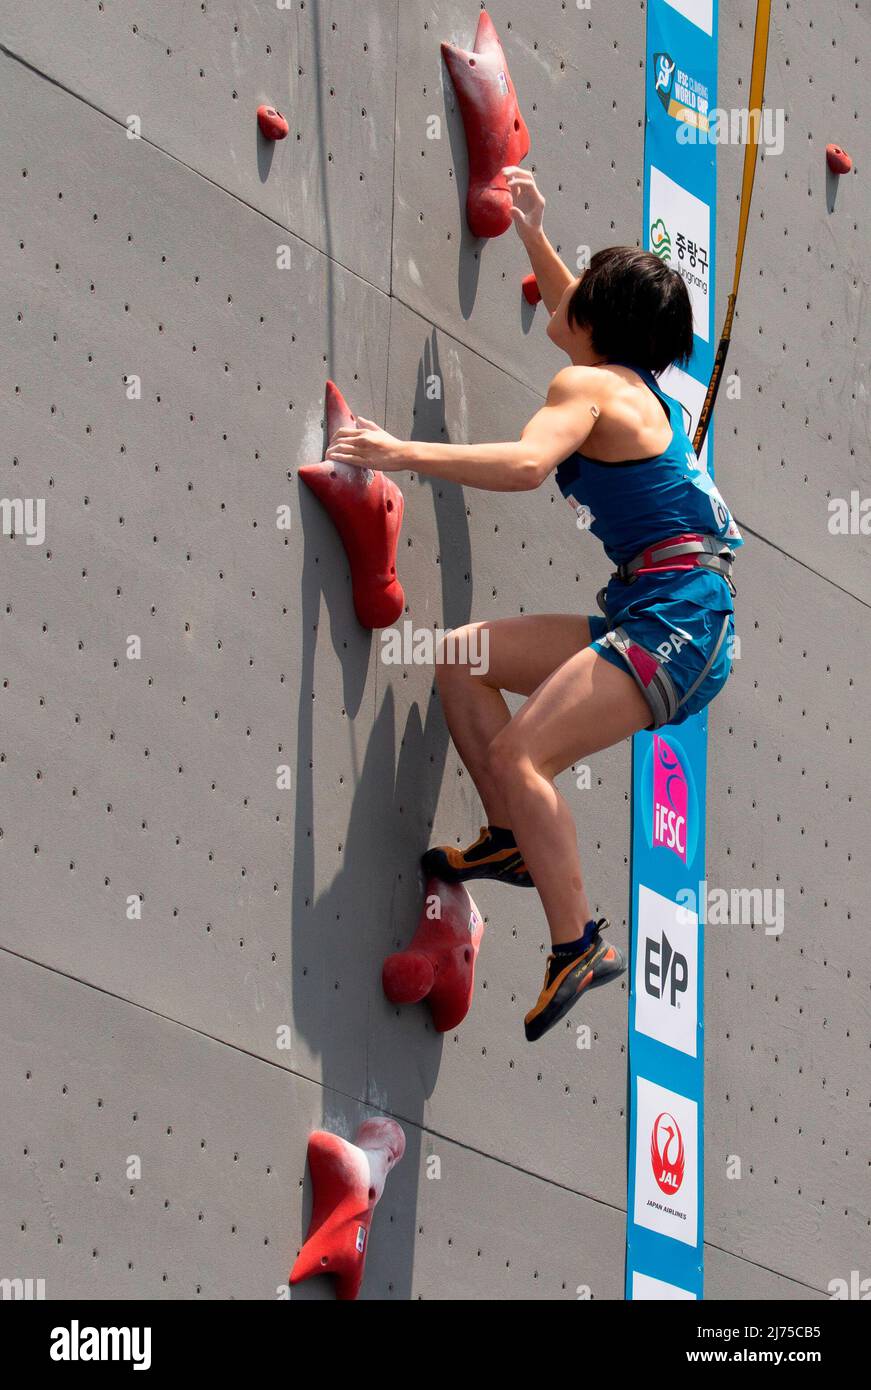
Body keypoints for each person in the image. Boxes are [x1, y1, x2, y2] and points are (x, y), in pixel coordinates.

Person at [324, 167, 742, 1042]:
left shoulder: (586, 390)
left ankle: (577, 944)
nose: (563, 300)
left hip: (675, 621)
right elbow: (579, 316)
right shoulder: (625, 380)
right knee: (463, 658)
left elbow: (523, 467)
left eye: (578, 294)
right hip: (668, 611)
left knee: (523, 751)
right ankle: (512, 838)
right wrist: (531, 235)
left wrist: (401, 452)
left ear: (595, 323)